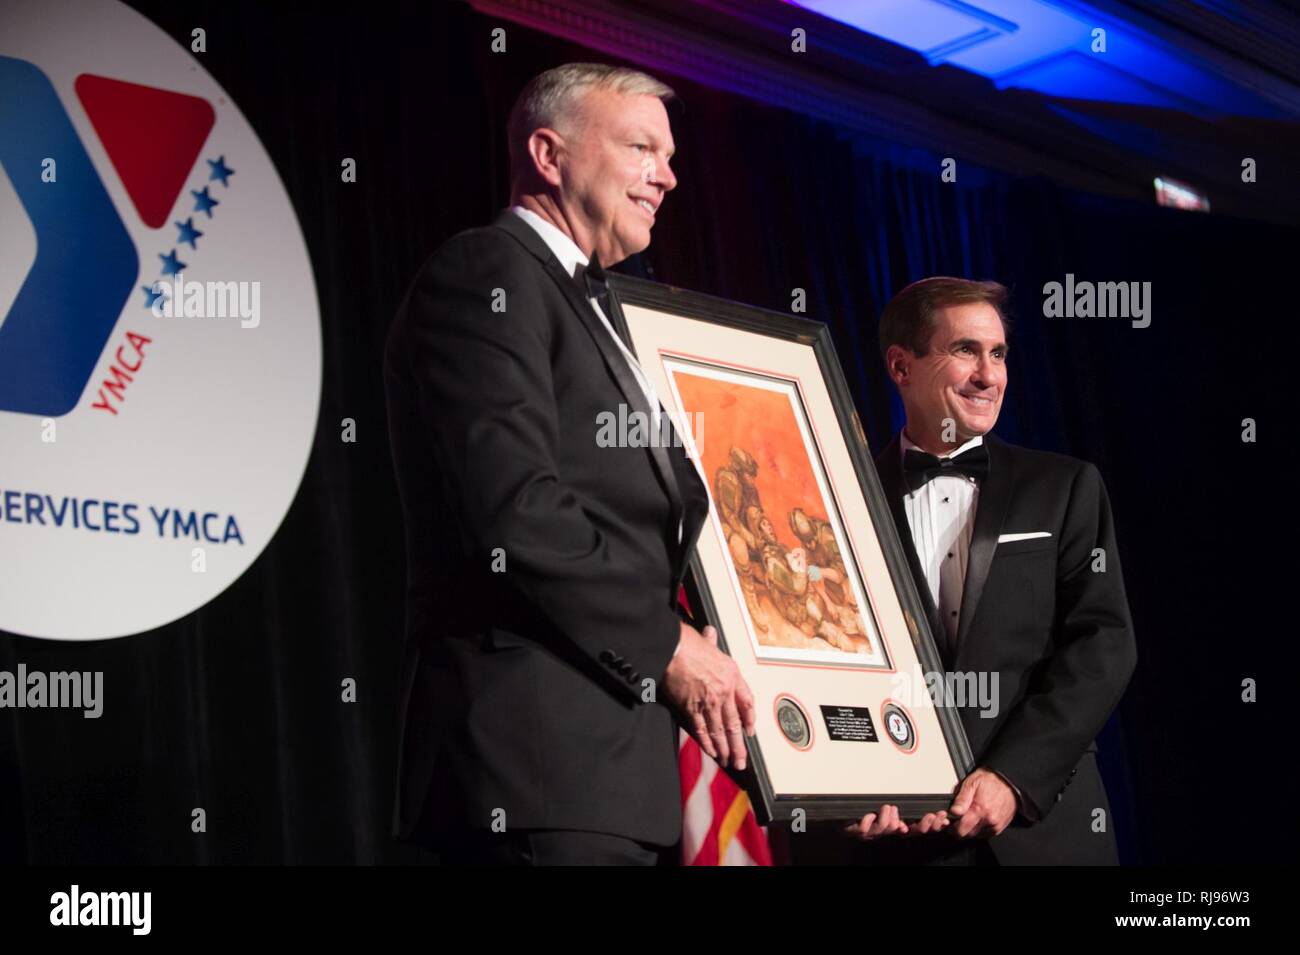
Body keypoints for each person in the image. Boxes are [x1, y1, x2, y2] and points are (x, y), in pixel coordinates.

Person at [384, 63, 755, 865]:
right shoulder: (487, 273)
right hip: (530, 770)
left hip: (616, 782)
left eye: (671, 153)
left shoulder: (606, 309)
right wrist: (672, 645)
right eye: (641, 147)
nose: (670, 173)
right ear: (549, 155)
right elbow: (515, 510)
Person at [844, 277, 1137, 864]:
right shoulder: (842, 495)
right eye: (965, 351)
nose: (989, 375)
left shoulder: (1064, 486)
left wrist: (1013, 777)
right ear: (901, 367)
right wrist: (856, 785)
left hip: (1044, 832)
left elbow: (1104, 646)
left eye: (998, 354)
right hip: (905, 842)